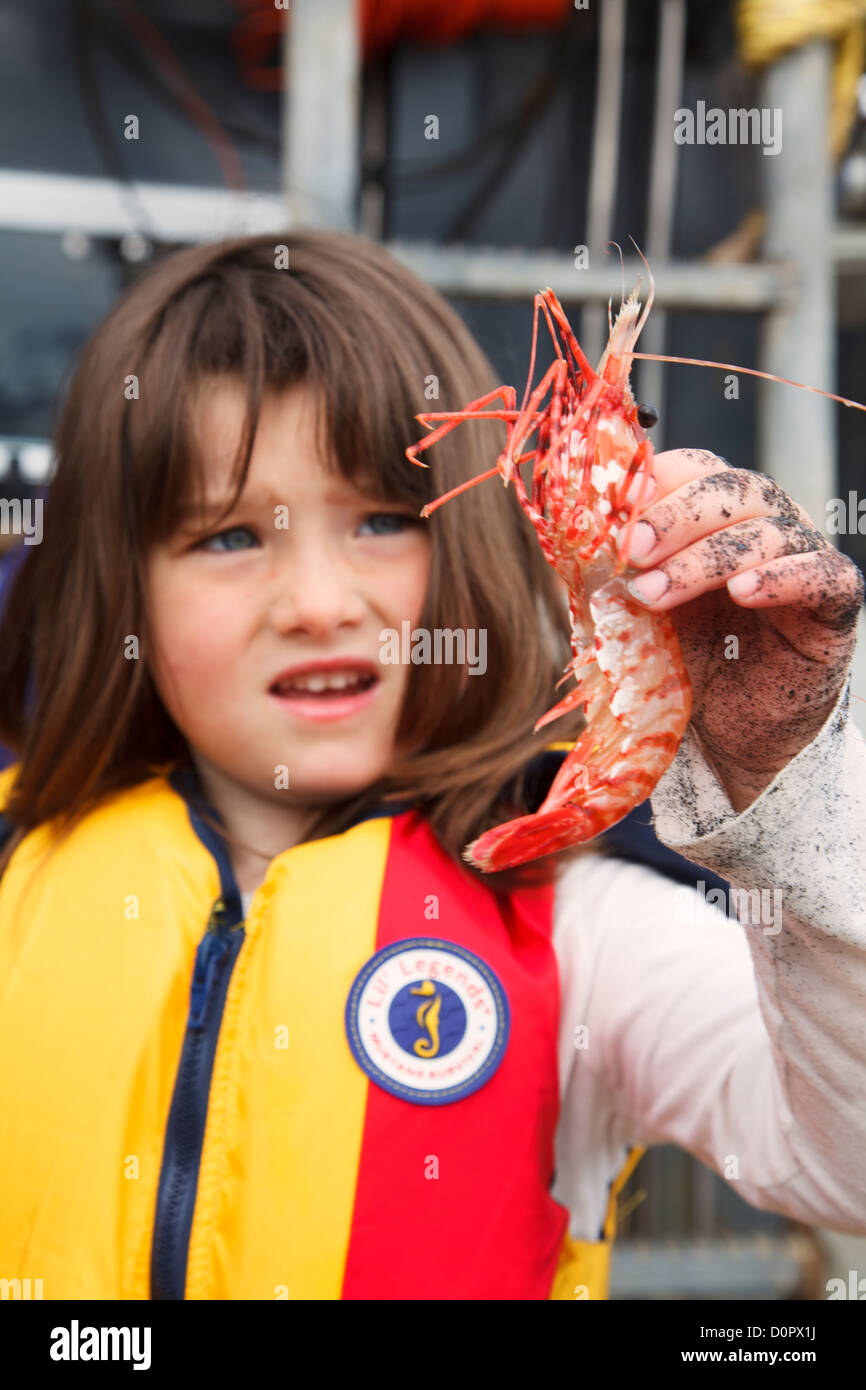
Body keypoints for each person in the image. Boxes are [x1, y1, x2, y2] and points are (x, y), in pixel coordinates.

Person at [0, 229, 864, 1302]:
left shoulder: (592, 933)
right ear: (113, 588)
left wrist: (796, 773)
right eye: (229, 537)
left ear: (479, 546)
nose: (318, 603)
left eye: (382, 520)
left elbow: (847, 1161)